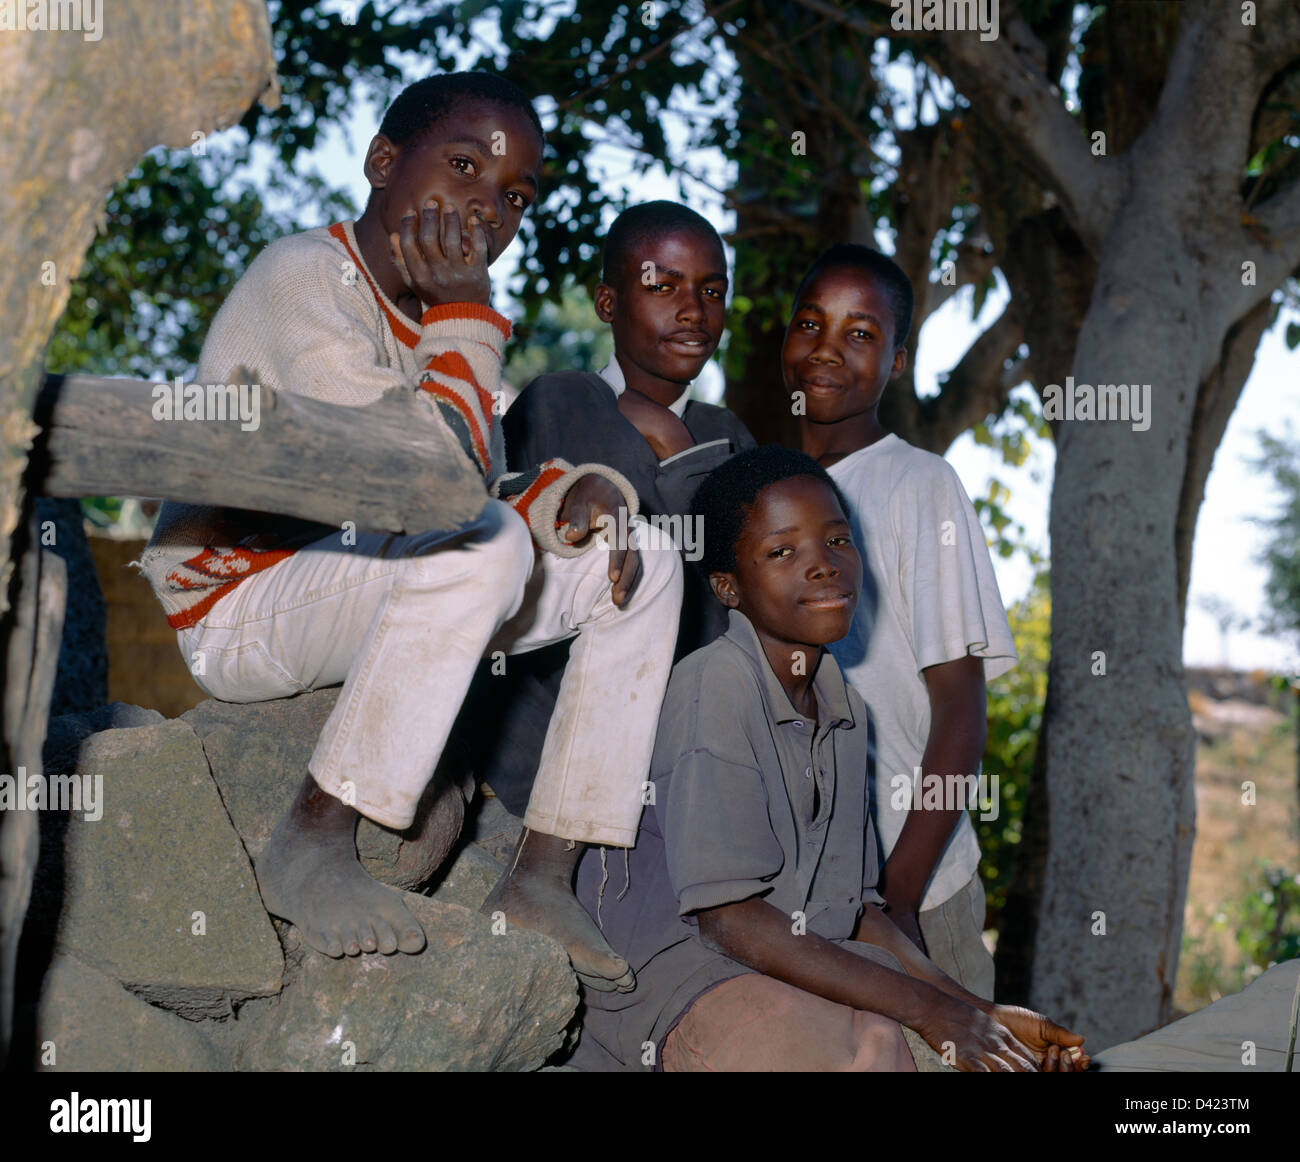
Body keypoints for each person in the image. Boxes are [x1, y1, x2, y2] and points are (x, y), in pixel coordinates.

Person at [136, 72, 682, 992]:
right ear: (382, 163)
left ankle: (542, 875)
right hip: (240, 604)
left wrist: (583, 498)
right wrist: (467, 312)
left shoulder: (440, 325)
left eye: (512, 195)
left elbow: (494, 471)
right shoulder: (303, 278)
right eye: (463, 165)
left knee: (647, 560)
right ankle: (313, 838)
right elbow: (427, 486)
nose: (485, 205)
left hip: (358, 584)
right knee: (485, 544)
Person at [568, 446, 1088, 1071]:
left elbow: (857, 912)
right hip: (680, 982)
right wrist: (930, 1012)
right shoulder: (716, 685)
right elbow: (729, 920)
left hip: (780, 965)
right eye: (782, 552)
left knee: (901, 1045)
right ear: (728, 587)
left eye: (837, 540)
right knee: (870, 1048)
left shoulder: (841, 705)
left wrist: (975, 1010)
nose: (822, 566)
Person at [457, 201, 755, 819]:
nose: (694, 310)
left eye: (712, 290)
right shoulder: (561, 401)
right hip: (542, 750)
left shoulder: (728, 436)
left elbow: (739, 603)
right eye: (662, 286)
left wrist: (676, 453)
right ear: (608, 303)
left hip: (689, 752)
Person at [791, 244, 1017, 999]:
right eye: (811, 325)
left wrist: (901, 895)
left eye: (860, 334)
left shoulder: (919, 484)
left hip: (916, 882)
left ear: (897, 361)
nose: (827, 349)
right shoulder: (768, 496)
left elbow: (961, 715)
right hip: (808, 888)